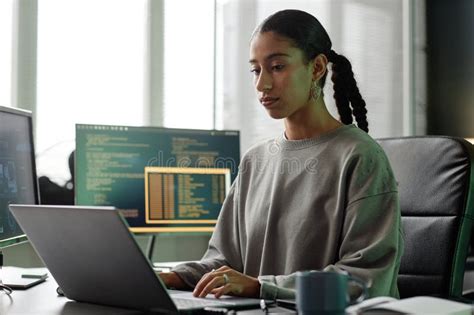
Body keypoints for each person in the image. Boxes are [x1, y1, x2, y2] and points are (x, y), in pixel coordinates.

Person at [159, 9, 403, 300]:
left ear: (316, 68)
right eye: (255, 70)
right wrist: (171, 277)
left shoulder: (361, 157)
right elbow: (225, 263)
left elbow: (364, 279)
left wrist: (262, 287)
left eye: (276, 67)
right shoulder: (255, 160)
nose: (262, 84)